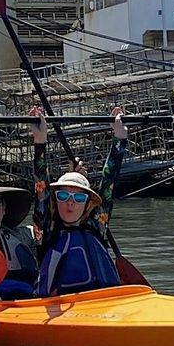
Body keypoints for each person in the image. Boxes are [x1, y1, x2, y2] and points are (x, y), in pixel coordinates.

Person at [33, 107, 130, 298]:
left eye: (78, 198)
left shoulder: (97, 224)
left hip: (100, 302)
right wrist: (40, 139)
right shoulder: (46, 230)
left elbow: (109, 180)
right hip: (52, 307)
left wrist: (119, 137)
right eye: (63, 196)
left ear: (88, 205)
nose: (70, 204)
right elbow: (41, 185)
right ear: (55, 200)